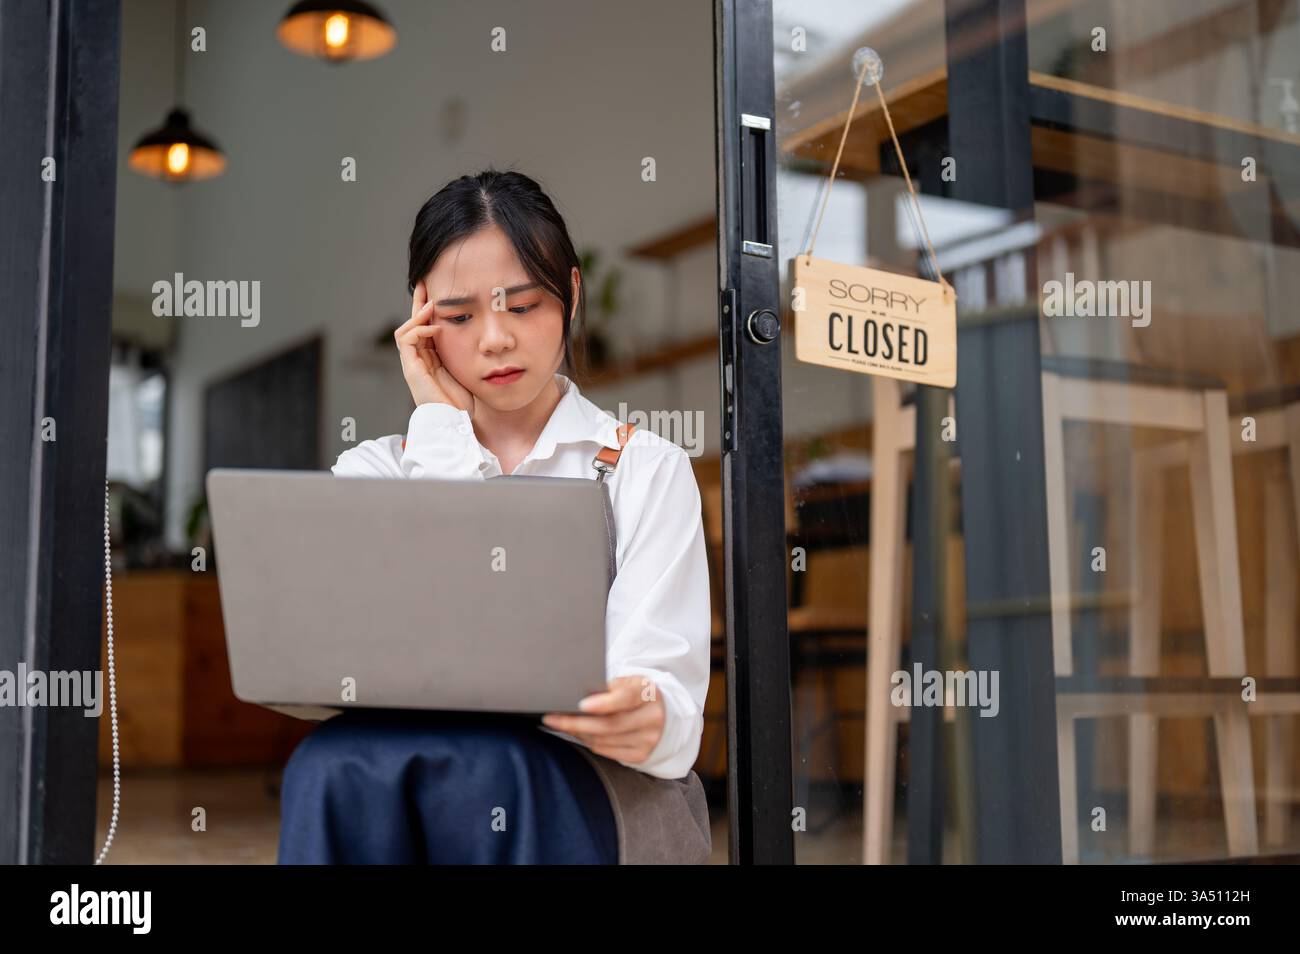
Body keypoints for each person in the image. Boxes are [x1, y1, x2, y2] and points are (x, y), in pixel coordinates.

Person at [276, 169, 713, 864]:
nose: (495, 339)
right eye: (457, 316)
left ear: (571, 295)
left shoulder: (644, 468)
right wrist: (439, 427)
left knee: (486, 768)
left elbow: (669, 706)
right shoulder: (377, 472)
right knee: (327, 766)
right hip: (430, 763)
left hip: (589, 784)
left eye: (523, 305)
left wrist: (646, 712)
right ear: (419, 322)